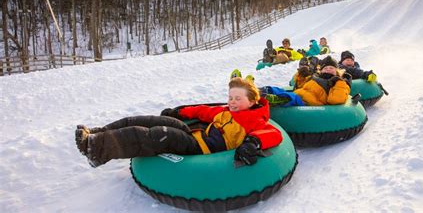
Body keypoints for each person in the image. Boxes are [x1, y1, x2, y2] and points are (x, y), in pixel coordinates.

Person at [75, 77, 283, 168]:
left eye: (238, 99)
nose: (232, 102)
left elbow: (274, 134)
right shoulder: (227, 110)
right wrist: (180, 112)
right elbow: (204, 111)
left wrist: (252, 143)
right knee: (153, 121)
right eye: (230, 97)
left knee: (159, 134)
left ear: (253, 101)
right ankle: (98, 133)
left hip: (202, 149)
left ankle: (95, 149)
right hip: (197, 134)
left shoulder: (256, 119)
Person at [264, 56, 351, 106]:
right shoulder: (316, 77)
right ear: (321, 70)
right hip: (300, 93)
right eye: (325, 68)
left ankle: (275, 99)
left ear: (337, 71)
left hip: (309, 101)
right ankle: (264, 91)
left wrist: (340, 82)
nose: (328, 70)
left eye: (331, 68)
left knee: (292, 98)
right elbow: (299, 85)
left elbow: (335, 100)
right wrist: (301, 74)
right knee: (281, 91)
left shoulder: (339, 82)